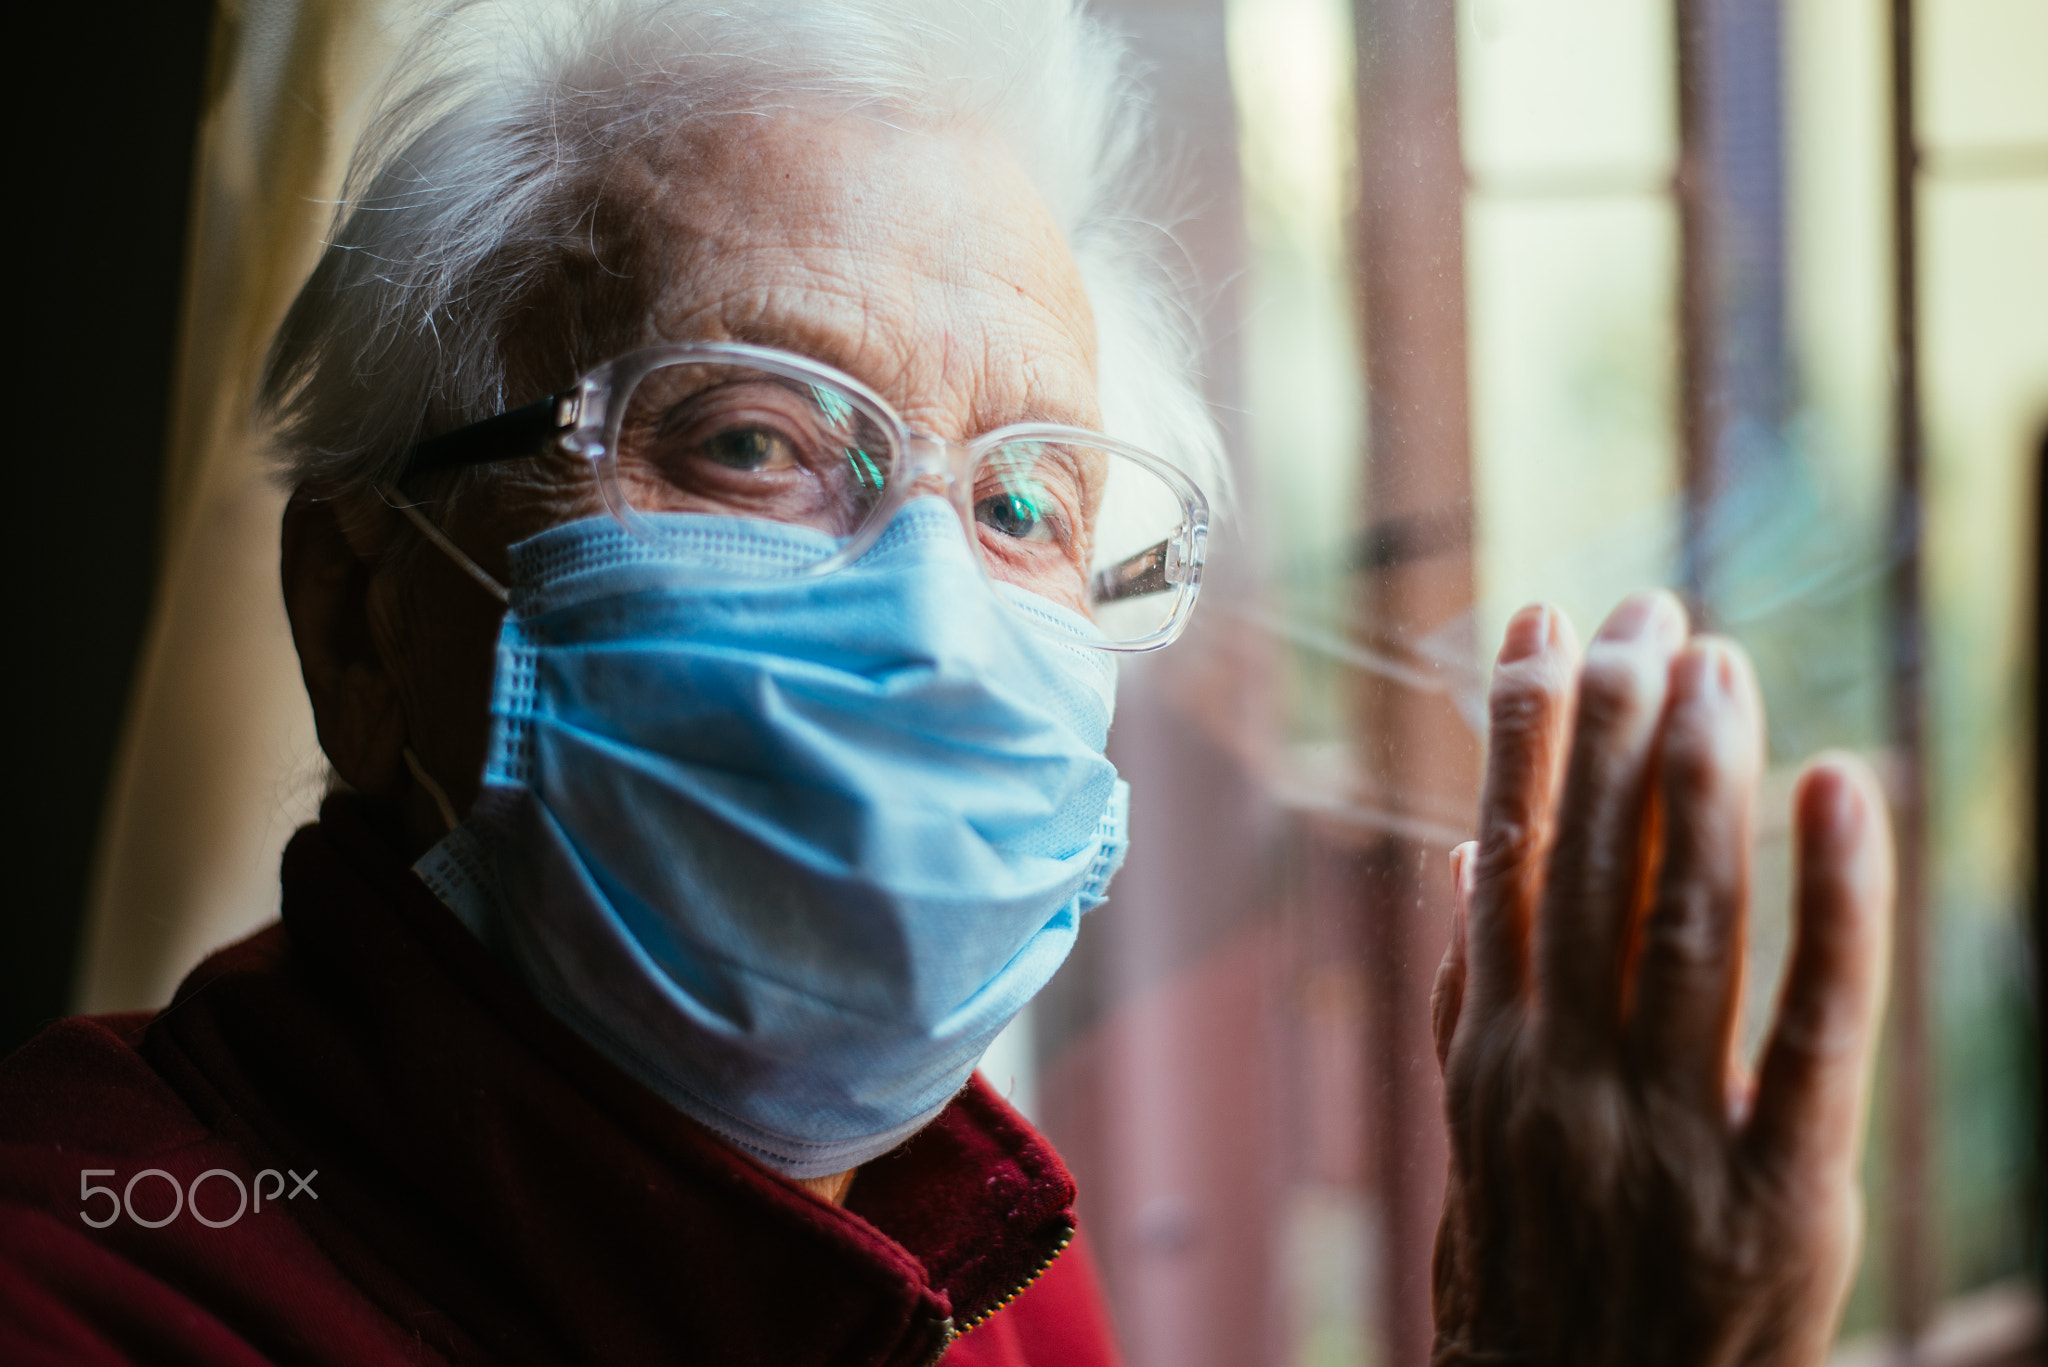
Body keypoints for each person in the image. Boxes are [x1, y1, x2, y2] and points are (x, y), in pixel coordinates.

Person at [0, 2, 1892, 1364]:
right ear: (351, 613)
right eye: (750, 440)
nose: (930, 607)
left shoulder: (978, 1267)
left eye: (1019, 502)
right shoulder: (91, 1285)